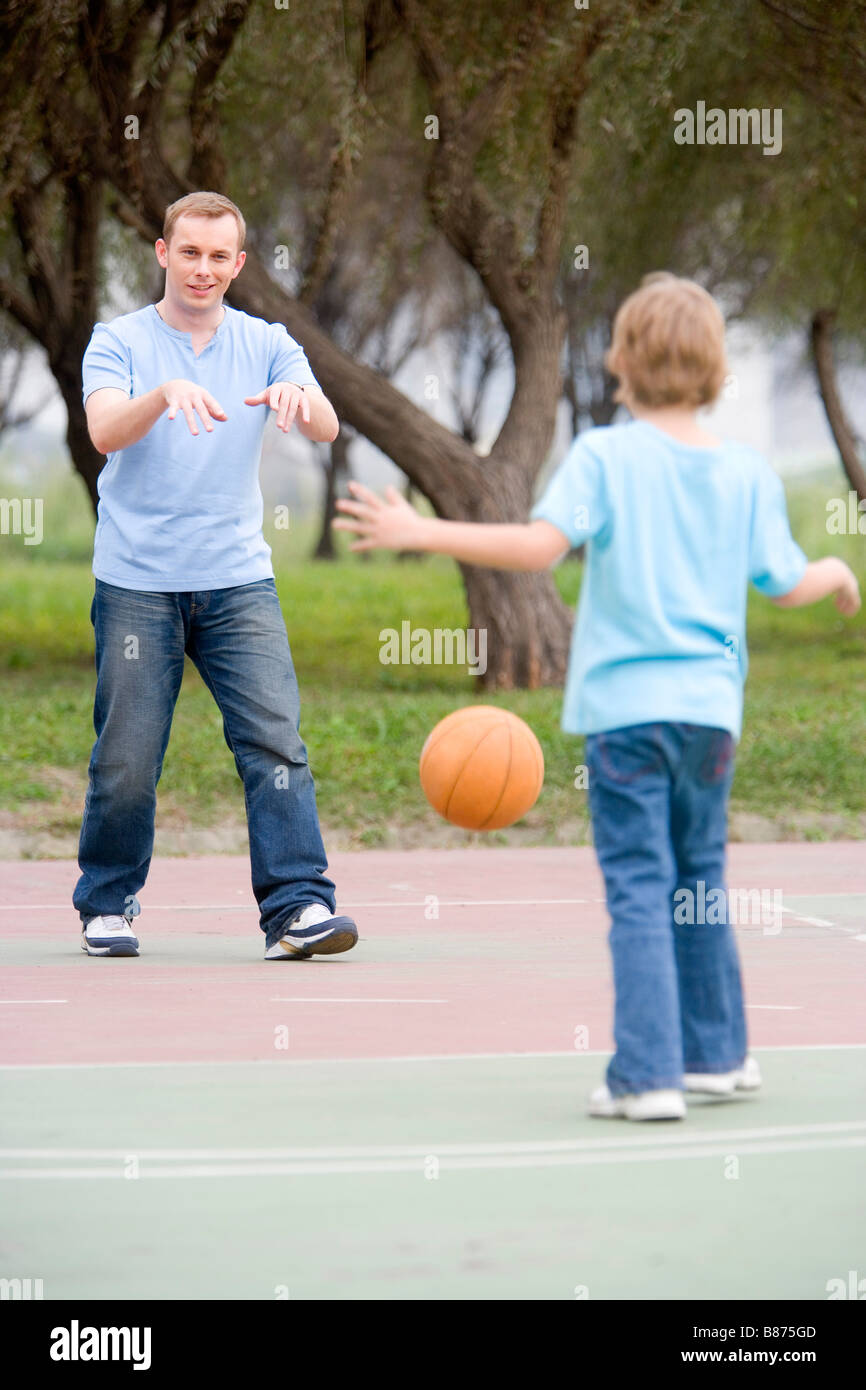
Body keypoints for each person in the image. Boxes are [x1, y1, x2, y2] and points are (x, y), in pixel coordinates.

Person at [332, 272, 861, 1120]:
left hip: (627, 719)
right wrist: (838, 571)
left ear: (619, 360)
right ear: (718, 368)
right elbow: (788, 580)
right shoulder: (748, 474)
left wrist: (419, 529)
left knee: (642, 892)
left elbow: (540, 549)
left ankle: (648, 1074)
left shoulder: (605, 457)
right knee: (699, 881)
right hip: (710, 719)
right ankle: (718, 1056)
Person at [75, 190, 358, 963]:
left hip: (238, 581)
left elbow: (328, 423)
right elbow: (103, 429)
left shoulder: (267, 342)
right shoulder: (119, 340)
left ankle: (297, 909)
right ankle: (107, 901)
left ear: (238, 264)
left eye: (219, 256)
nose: (204, 268)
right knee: (129, 756)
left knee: (275, 743)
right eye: (189, 252)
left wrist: (305, 400)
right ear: (164, 253)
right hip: (137, 582)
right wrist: (162, 394)